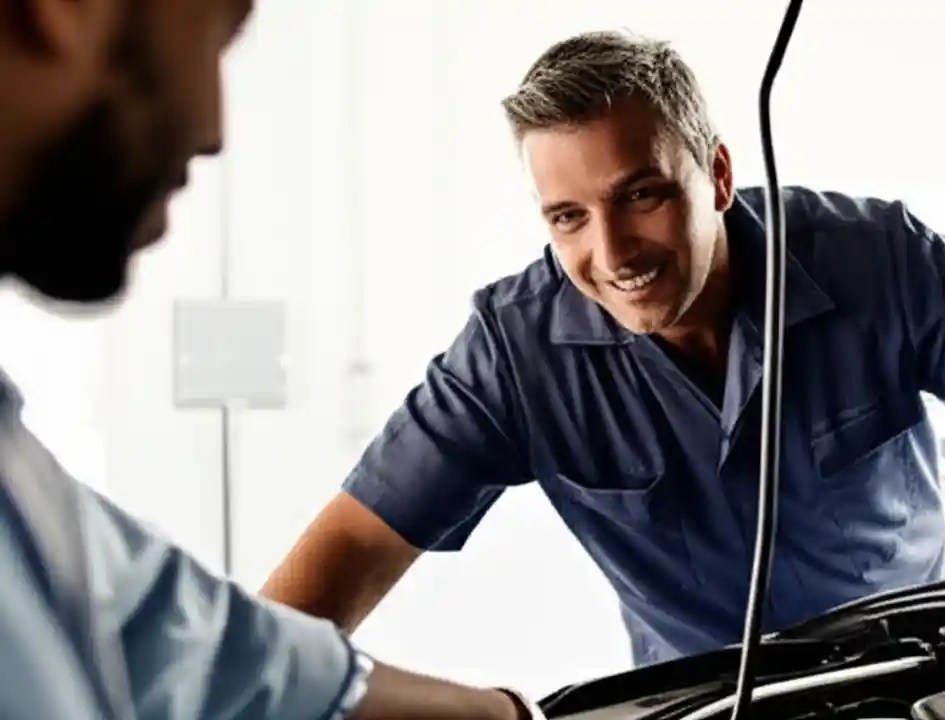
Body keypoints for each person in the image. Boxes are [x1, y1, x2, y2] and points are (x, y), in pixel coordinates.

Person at [261, 29, 945, 668]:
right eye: (565, 218)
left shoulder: (878, 261)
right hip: (717, 705)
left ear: (712, 173)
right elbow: (350, 550)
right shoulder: (509, 352)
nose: (609, 254)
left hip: (928, 675)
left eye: (640, 196)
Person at [0, 1, 543, 718]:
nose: (214, 126)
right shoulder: (522, 339)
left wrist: (500, 715)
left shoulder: (25, 496)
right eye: (219, 33)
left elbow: (198, 644)